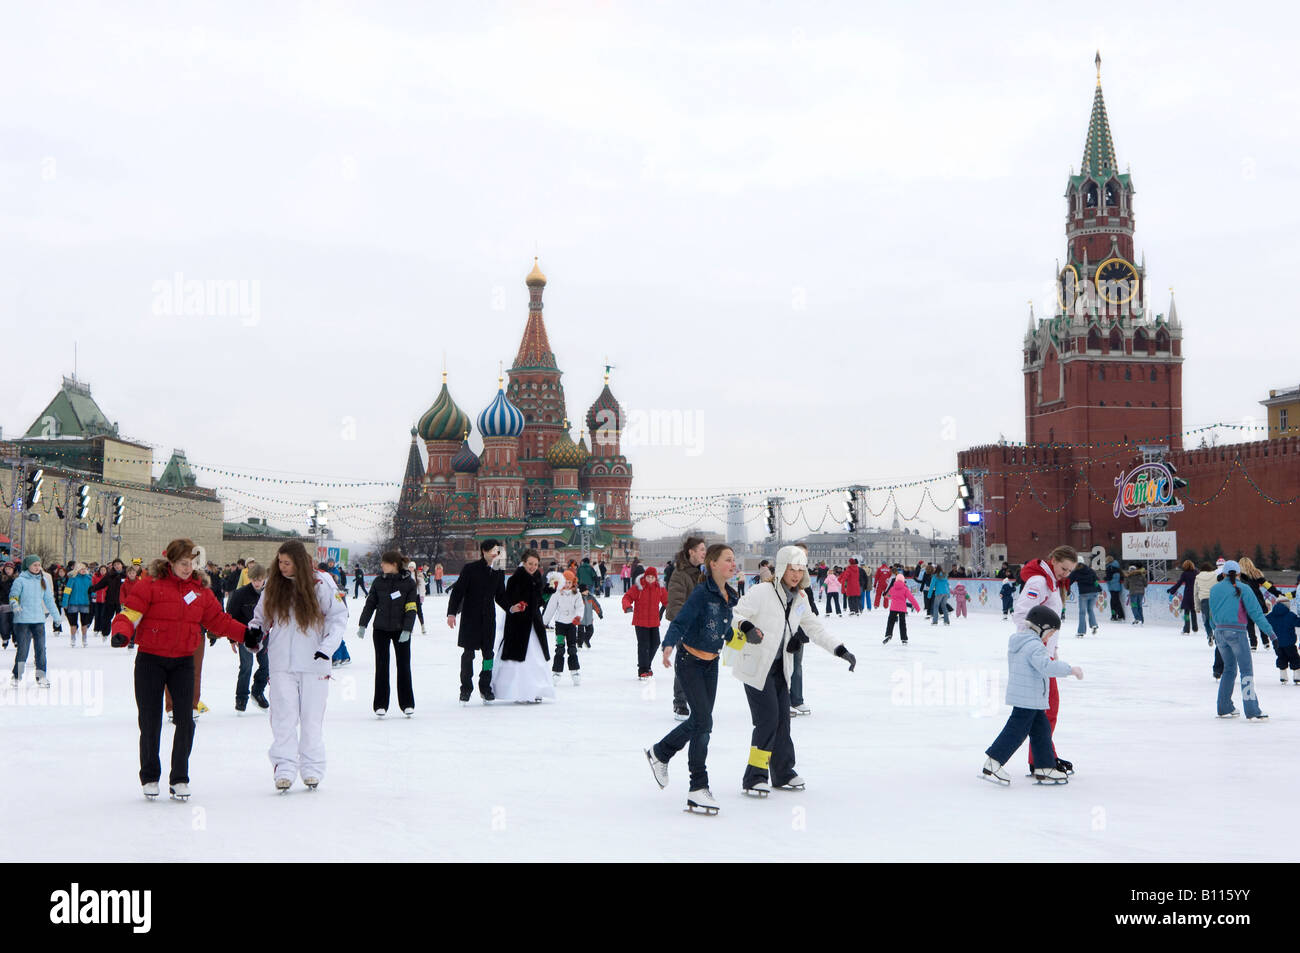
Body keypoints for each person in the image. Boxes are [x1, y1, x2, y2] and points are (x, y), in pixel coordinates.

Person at [109, 539, 252, 799]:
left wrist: (246, 635)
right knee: (150, 721)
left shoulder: (200, 591)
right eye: (183, 563)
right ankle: (150, 776)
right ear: (171, 562)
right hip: (150, 660)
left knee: (186, 720)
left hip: (184, 662)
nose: (188, 568)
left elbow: (219, 620)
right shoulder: (150, 584)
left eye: (192, 564)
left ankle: (180, 778)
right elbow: (130, 613)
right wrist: (121, 633)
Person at [728, 546, 855, 797]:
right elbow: (735, 614)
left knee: (783, 721)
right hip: (756, 666)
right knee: (767, 721)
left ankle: (783, 772)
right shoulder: (762, 592)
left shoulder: (800, 599)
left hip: (779, 668)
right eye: (791, 569)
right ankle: (754, 776)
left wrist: (840, 650)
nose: (796, 575)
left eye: (800, 570)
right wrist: (748, 627)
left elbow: (815, 629)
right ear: (781, 568)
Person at [644, 544, 739, 815]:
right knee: (703, 722)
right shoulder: (701, 593)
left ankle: (661, 753)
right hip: (690, 663)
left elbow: (721, 629)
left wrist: (746, 636)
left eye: (734, 560)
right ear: (713, 564)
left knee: (702, 724)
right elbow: (681, 621)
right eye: (728, 560)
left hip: (711, 665)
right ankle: (697, 785)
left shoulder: (729, 595)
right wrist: (668, 646)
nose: (733, 564)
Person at [250, 541, 348, 790]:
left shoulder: (321, 583)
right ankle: (284, 766)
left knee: (311, 718)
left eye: (287, 563)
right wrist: (254, 634)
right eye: (280, 562)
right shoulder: (274, 585)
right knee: (283, 717)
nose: (282, 567)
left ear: (299, 563)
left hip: (315, 662)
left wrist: (326, 649)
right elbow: (260, 617)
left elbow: (338, 617)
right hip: (282, 662)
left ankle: (312, 767)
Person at [980, 606, 1082, 785]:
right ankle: (993, 762)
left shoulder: (1021, 642)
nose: (1049, 637)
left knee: (1042, 731)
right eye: (1050, 633)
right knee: (1016, 732)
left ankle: (1045, 766)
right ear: (1041, 627)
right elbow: (1046, 666)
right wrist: (1070, 669)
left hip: (1030, 697)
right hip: (1028, 698)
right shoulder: (1034, 646)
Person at [1015, 545, 1079, 776]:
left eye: (1070, 571)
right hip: (1037, 657)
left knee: (1045, 710)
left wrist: (1054, 649)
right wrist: (1035, 648)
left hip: (1045, 654)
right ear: (1053, 560)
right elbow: (1022, 615)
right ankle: (1042, 758)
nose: (1065, 574)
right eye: (1063, 568)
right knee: (1045, 710)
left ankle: (1043, 755)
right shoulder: (1039, 583)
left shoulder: (1051, 583)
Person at [1209, 560, 1274, 721]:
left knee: (1229, 669)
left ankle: (1224, 707)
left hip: (1219, 633)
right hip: (1236, 633)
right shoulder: (1244, 588)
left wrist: (1214, 630)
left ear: (1223, 573)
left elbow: (1211, 614)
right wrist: (1271, 635)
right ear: (1239, 574)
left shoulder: (1215, 589)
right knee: (1246, 671)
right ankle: (1252, 710)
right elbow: (1257, 614)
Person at [358, 551, 419, 717]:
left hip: (401, 630)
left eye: (384, 563)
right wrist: (363, 624)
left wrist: (407, 629)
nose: (381, 565)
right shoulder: (379, 582)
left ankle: (407, 703)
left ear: (394, 564)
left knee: (404, 666)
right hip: (381, 630)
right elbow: (370, 604)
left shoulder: (409, 583)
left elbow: (412, 608)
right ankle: (380, 704)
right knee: (382, 667)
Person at [447, 539, 507, 704]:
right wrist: (451, 613)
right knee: (468, 655)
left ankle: (485, 687)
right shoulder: (470, 569)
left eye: (498, 551)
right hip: (470, 618)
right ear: (484, 551)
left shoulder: (498, 571)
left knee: (488, 655)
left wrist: (512, 607)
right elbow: (458, 592)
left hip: (488, 619)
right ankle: (465, 689)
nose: (496, 554)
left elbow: (501, 595)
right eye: (493, 551)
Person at [493, 549, 553, 704]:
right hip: (518, 625)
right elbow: (508, 599)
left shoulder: (538, 578)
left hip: (534, 624)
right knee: (519, 660)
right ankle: (519, 691)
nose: (533, 567)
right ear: (524, 563)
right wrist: (515, 607)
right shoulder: (515, 579)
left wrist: (548, 592)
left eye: (535, 564)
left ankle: (536, 690)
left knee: (536, 659)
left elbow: (539, 601)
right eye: (530, 564)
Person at [665, 536, 707, 721]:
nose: (704, 553)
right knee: (685, 664)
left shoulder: (705, 573)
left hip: (705, 627)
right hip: (687, 627)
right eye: (701, 549)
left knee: (704, 664)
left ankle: (699, 701)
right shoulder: (680, 574)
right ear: (691, 551)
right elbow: (675, 605)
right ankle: (680, 702)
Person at [226, 562, 270, 712]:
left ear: (265, 579)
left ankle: (257, 692)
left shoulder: (270, 594)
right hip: (246, 635)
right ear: (250, 579)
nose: (257, 583)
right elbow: (231, 615)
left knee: (266, 666)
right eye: (254, 580)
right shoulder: (240, 594)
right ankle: (241, 698)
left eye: (260, 579)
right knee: (246, 666)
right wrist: (232, 638)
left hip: (265, 635)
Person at [9, 555, 58, 686]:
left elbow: (49, 600)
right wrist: (15, 605)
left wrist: (56, 616)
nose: (37, 568)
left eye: (38, 565)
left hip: (38, 620)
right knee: (23, 650)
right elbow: (13, 596)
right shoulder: (20, 581)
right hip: (23, 620)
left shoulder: (43, 581)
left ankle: (41, 677)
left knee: (41, 649)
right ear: (28, 566)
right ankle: (16, 676)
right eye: (34, 565)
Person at [623, 563, 668, 679]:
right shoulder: (639, 587)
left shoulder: (660, 588)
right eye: (648, 577)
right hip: (640, 621)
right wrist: (627, 606)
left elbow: (667, 601)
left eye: (652, 577)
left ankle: (647, 665)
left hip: (653, 621)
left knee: (655, 643)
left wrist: (676, 610)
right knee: (644, 645)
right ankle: (642, 669)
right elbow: (627, 597)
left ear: (655, 578)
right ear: (645, 576)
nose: (650, 579)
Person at [544, 570, 584, 685]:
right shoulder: (557, 594)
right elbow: (550, 608)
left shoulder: (577, 594)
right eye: (565, 582)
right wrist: (544, 622)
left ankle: (575, 671)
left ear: (573, 583)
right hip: (560, 624)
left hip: (571, 624)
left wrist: (578, 617)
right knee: (560, 648)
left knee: (572, 648)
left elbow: (580, 607)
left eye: (569, 582)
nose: (567, 585)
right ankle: (556, 672)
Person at [1237, 556, 1282, 650]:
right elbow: (1268, 586)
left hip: (1246, 601)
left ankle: (1253, 644)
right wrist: (1277, 593)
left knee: (1249, 623)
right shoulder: (1256, 574)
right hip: (1258, 600)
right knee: (1261, 620)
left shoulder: (1239, 576)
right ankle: (1266, 642)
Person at [319, 562, 351, 669]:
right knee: (338, 637)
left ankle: (337, 658)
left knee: (334, 636)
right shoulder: (329, 582)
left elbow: (339, 602)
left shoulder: (330, 584)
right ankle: (345, 656)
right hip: (338, 612)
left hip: (338, 613)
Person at [1267, 594, 1299, 683]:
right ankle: (1297, 676)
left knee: (1281, 657)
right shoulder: (1290, 615)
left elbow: (1263, 622)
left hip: (1276, 643)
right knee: (1294, 658)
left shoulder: (1271, 616)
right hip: (1289, 643)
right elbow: (1298, 623)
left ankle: (1283, 676)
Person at [62, 562, 95, 646]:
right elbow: (67, 591)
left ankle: (84, 638)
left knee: (84, 623)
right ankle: (73, 638)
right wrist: (65, 602)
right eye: (81, 569)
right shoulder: (73, 579)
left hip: (85, 603)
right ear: (77, 570)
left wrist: (94, 598)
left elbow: (93, 590)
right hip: (73, 603)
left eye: (84, 569)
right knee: (73, 623)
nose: (83, 570)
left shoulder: (89, 578)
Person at [882, 570, 920, 644]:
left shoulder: (893, 588)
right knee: (902, 623)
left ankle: (888, 634)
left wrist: (887, 596)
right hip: (902, 609)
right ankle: (904, 638)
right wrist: (917, 607)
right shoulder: (905, 589)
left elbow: (888, 596)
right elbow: (911, 598)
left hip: (893, 608)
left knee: (890, 621)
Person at [1068, 559, 1101, 637]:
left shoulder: (1075, 572)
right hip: (1094, 593)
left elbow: (1068, 581)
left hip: (1084, 594)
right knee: (1090, 610)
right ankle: (1094, 625)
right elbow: (1095, 580)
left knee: (1082, 613)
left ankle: (1081, 632)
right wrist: (1099, 589)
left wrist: (1067, 590)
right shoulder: (1090, 570)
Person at [1104, 556, 1125, 621]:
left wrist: (1105, 578)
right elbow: (1122, 576)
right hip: (1117, 585)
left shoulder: (1109, 568)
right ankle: (1114, 615)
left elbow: (1109, 577)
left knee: (1115, 602)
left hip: (1112, 586)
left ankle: (1119, 615)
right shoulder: (1117, 567)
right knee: (1113, 601)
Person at [0, 562, 15, 650]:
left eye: (10, 569)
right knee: (3, 622)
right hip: (3, 603)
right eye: (6, 569)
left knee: (14, 622)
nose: (8, 571)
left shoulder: (17, 579)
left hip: (14, 603)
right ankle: (5, 638)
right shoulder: (1, 579)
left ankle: (16, 639)